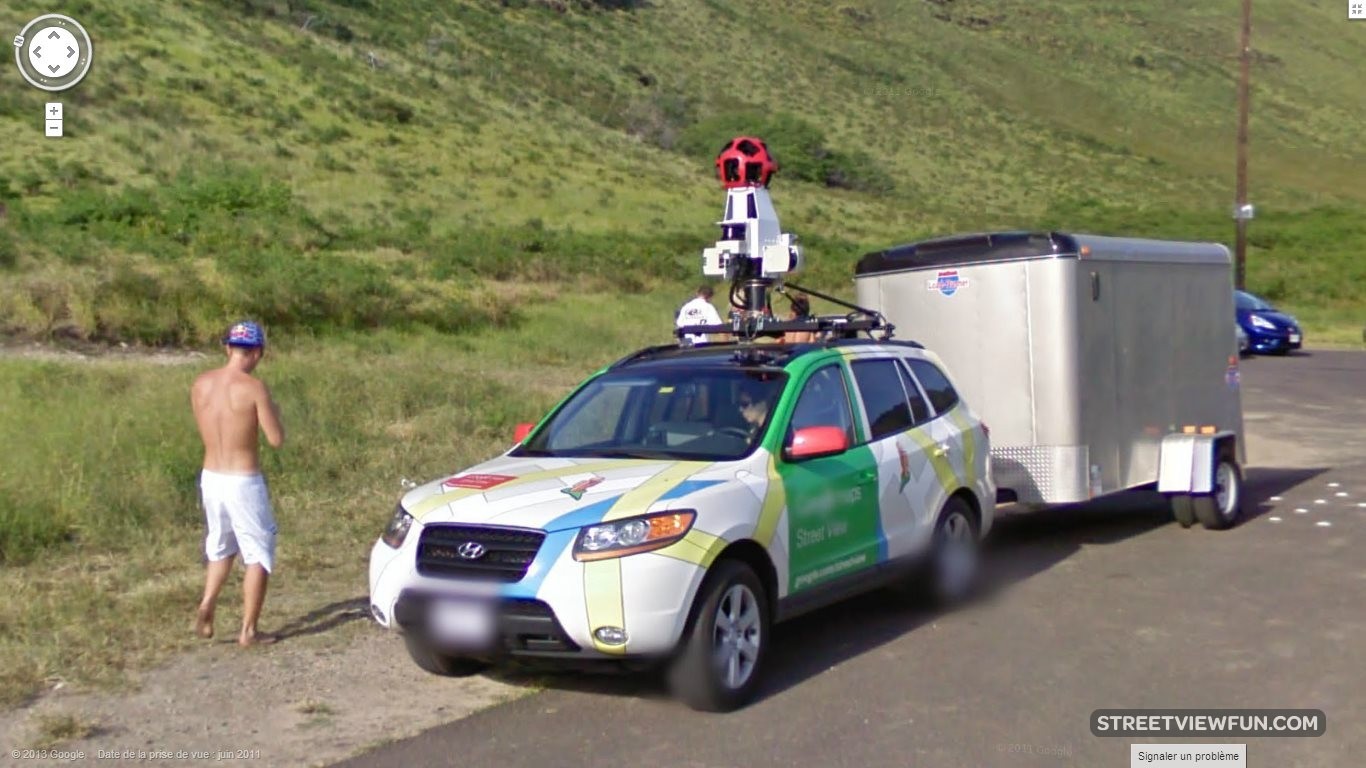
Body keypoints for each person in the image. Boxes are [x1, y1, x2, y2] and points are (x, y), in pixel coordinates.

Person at [190, 320, 286, 647]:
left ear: (228, 348)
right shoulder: (253, 388)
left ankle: (207, 602)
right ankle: (249, 630)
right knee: (258, 552)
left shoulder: (201, 383)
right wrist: (273, 409)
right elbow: (275, 439)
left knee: (221, 545)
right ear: (257, 352)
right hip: (243, 479)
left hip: (211, 475)